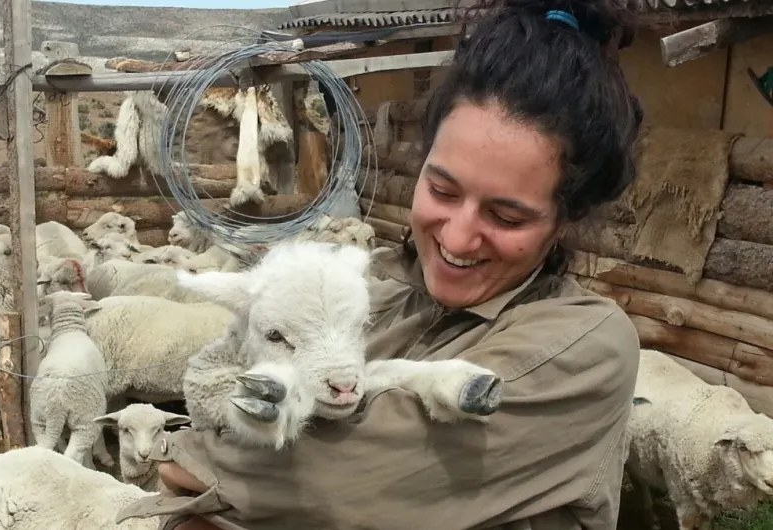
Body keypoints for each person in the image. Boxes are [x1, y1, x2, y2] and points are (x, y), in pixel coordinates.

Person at [117, 0, 645, 528]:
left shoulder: (586, 345)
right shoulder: (375, 293)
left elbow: (340, 482)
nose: (458, 236)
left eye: (506, 216)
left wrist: (188, 459)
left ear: (564, 218)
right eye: (441, 189)